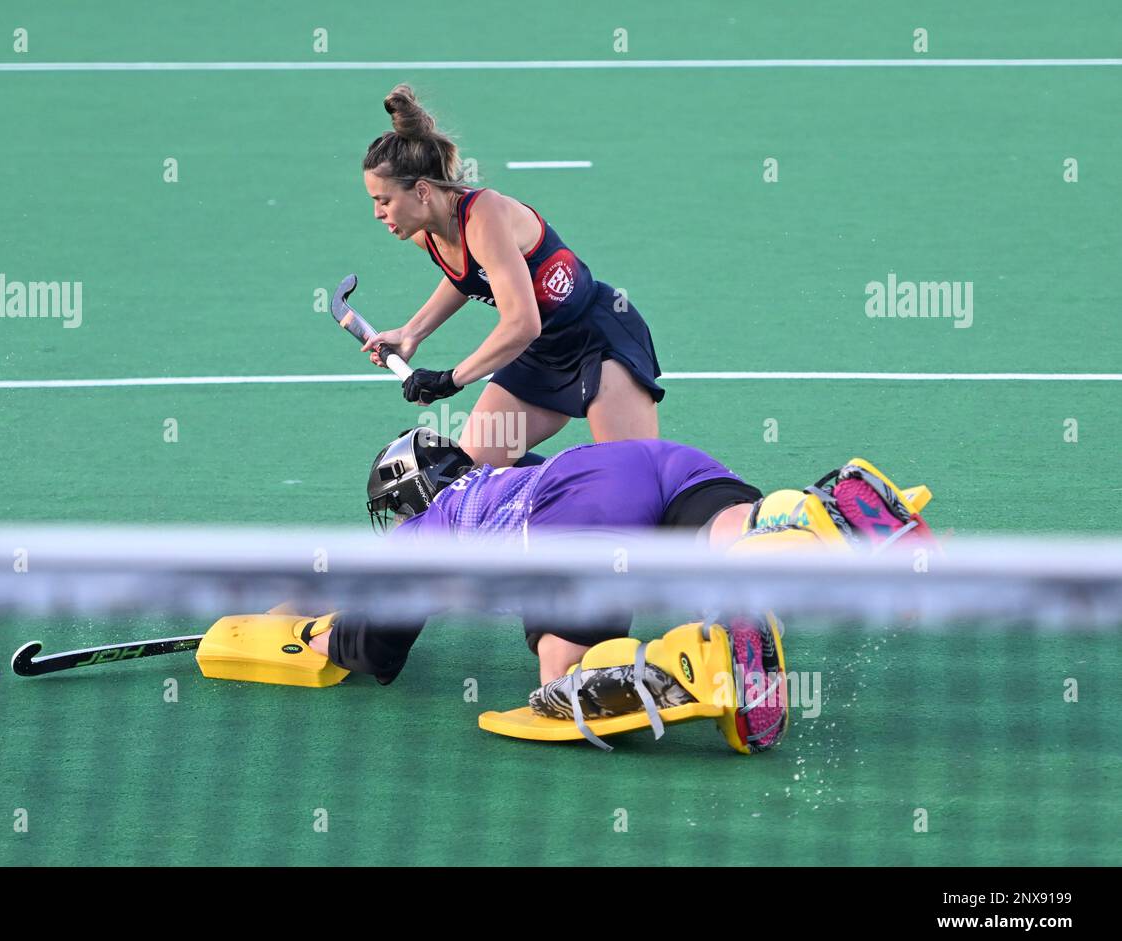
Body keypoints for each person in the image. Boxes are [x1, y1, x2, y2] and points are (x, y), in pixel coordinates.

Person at [252, 428, 935, 753]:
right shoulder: (509, 473)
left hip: (576, 523)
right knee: (731, 538)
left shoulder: (430, 527)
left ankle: (692, 662)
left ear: (408, 498)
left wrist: (316, 634)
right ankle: (801, 516)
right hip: (656, 463)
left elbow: (376, 633)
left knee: (560, 680)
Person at [360, 84, 664, 467]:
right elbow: (467, 276)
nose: (378, 213)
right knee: (475, 472)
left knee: (631, 479)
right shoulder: (426, 234)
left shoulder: (484, 214)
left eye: (383, 200)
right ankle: (569, 485)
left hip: (599, 342)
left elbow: (522, 324)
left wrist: (452, 378)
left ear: (421, 191)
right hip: (540, 356)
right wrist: (412, 332)